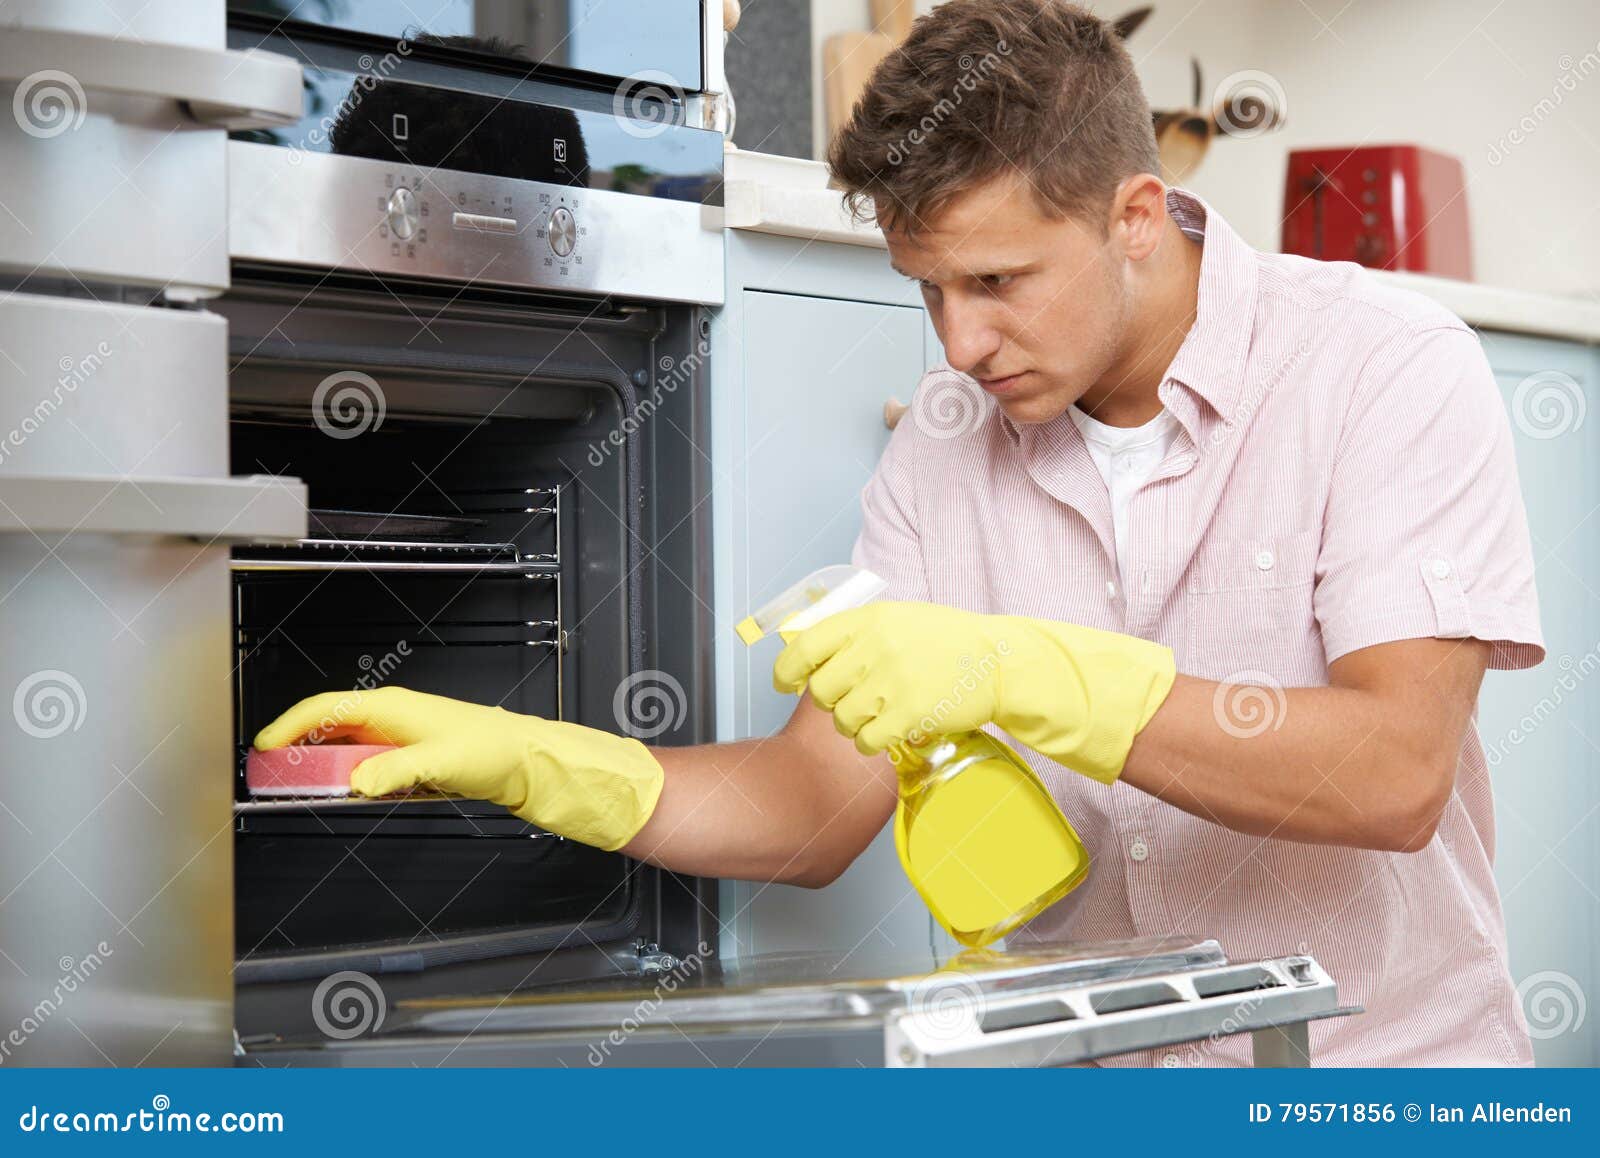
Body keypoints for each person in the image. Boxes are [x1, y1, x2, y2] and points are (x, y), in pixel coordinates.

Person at [255, 0, 1543, 1066]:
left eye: (997, 281)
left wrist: (1030, 673)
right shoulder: (949, 435)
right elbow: (814, 809)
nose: (961, 343)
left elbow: (1394, 775)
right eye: (927, 289)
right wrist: (519, 758)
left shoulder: (1381, 366)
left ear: (1136, 217)